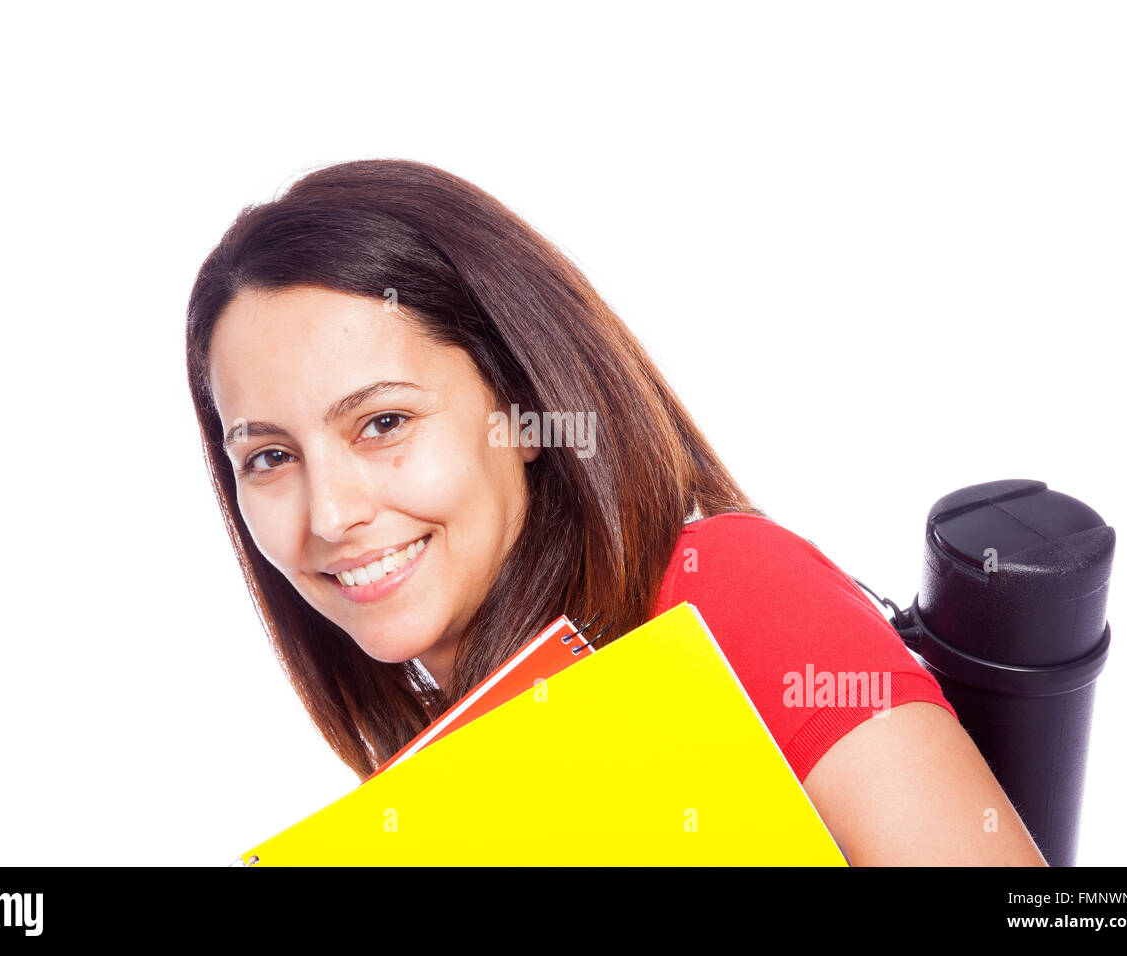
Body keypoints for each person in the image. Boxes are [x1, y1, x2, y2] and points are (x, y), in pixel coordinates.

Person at [185, 158, 1046, 865]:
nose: (330, 513)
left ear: (521, 409)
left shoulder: (728, 599)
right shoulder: (418, 812)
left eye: (384, 423)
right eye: (269, 457)